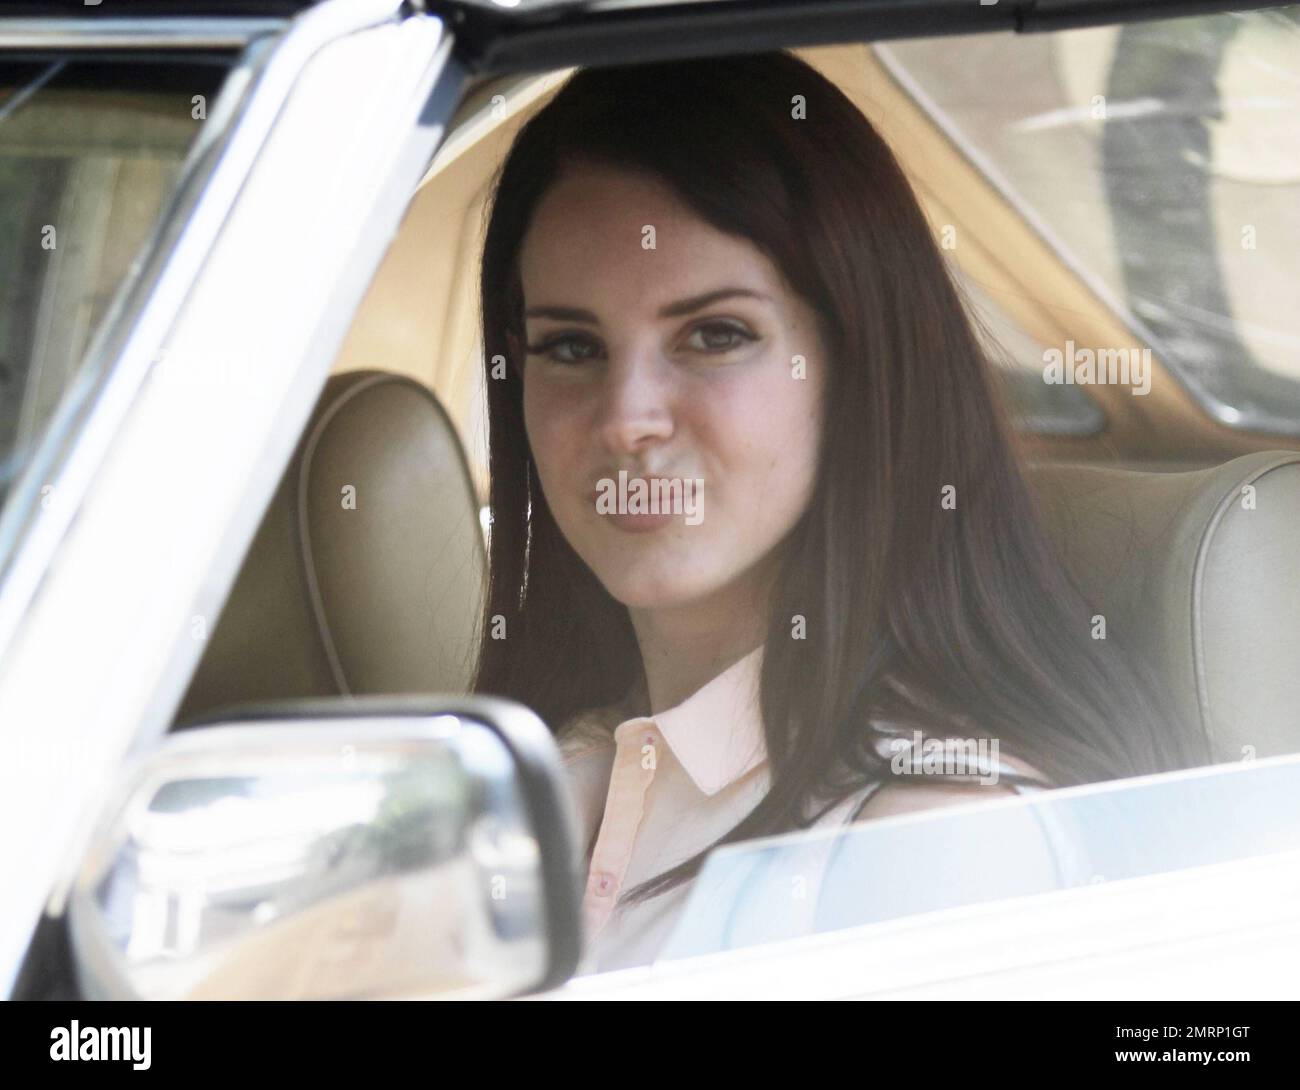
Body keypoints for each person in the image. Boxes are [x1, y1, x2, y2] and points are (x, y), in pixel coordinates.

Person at [472, 51, 1209, 973]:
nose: (627, 420)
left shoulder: (932, 842)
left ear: (857, 366)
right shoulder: (556, 767)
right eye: (572, 347)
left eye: (715, 335)